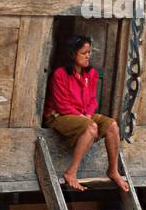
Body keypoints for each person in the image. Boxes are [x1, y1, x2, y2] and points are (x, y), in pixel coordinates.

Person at [43, 34, 129, 193]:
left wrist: (87, 115)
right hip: (59, 116)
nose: (88, 56)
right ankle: (71, 172)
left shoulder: (91, 74)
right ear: (72, 54)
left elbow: (92, 101)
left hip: (83, 115)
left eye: (89, 52)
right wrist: (83, 118)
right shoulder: (60, 75)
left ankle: (113, 170)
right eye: (84, 52)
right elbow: (62, 105)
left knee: (112, 125)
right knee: (91, 127)